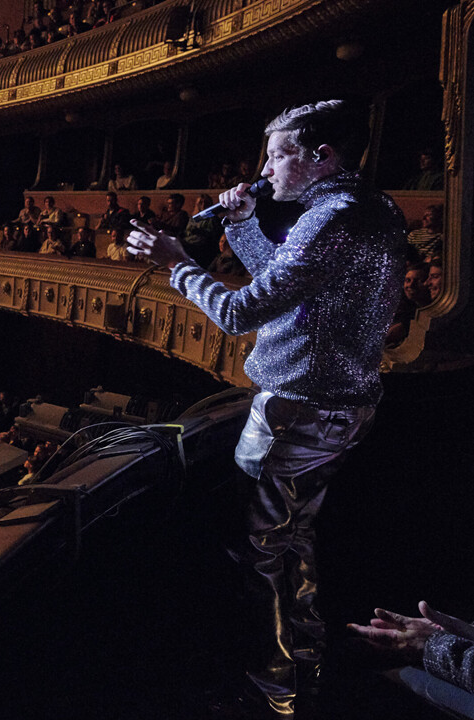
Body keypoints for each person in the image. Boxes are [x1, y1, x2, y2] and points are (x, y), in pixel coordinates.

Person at [127, 99, 407, 718]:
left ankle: (275, 689)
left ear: (320, 156)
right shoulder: (371, 207)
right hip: (341, 409)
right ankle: (303, 662)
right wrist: (246, 223)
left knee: (259, 556)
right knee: (290, 541)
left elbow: (239, 313)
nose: (265, 169)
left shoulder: (328, 220)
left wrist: (177, 263)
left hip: (297, 413)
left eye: (277, 155)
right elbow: (289, 288)